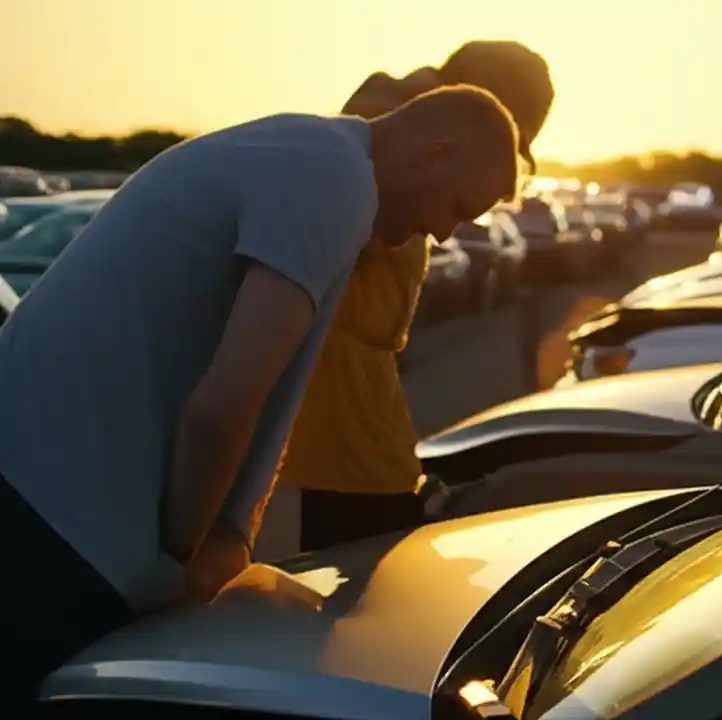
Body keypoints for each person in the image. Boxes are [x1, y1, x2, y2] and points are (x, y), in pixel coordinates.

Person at [0, 84, 519, 706]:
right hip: (52, 519)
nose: (440, 231)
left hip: (43, 488)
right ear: (435, 152)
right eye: (458, 206)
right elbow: (224, 407)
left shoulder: (311, 156)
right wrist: (179, 564)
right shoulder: (333, 179)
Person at [258, 41, 554, 555]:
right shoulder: (383, 139)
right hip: (345, 422)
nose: (444, 232)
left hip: (365, 411)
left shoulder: (405, 136)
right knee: (355, 590)